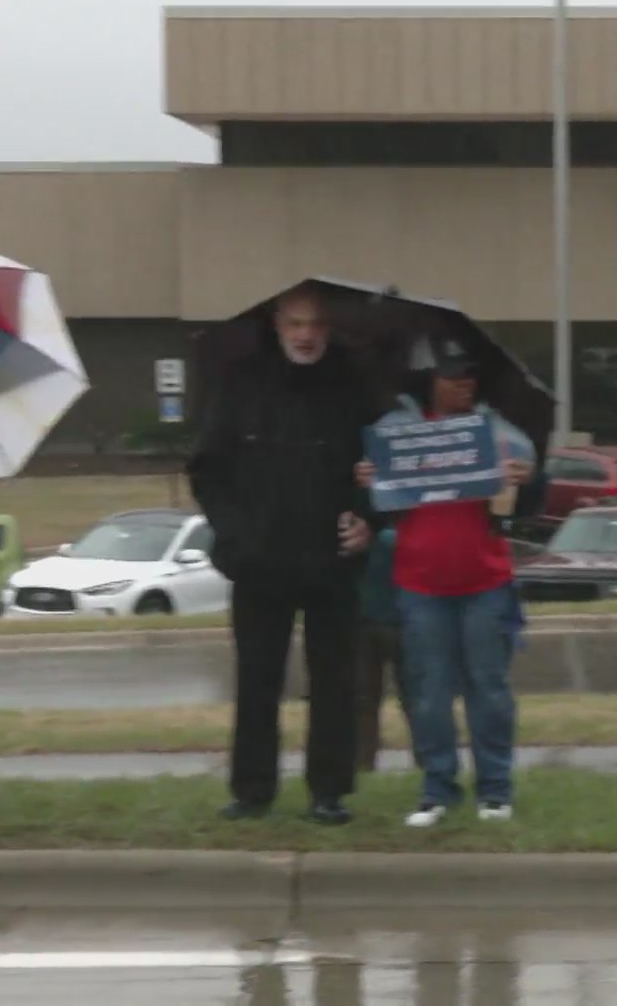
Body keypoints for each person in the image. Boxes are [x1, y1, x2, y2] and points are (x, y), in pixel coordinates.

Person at [188, 285, 377, 825]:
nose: (305, 334)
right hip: (258, 560)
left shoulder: (355, 384)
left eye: (315, 324)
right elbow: (207, 469)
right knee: (256, 678)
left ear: (329, 327)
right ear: (276, 324)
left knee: (335, 680)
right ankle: (252, 791)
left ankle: (329, 791)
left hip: (333, 559)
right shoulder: (241, 382)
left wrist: (369, 515)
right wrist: (235, 534)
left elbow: (388, 466)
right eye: (295, 323)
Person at [356, 334, 541, 827]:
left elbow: (523, 507)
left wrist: (523, 481)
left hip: (486, 581)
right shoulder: (396, 433)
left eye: (468, 376)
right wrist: (367, 478)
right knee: (429, 693)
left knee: (489, 689)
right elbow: (378, 505)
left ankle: (495, 790)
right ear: (430, 381)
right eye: (451, 376)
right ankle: (437, 789)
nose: (462, 384)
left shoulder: (500, 433)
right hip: (420, 584)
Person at [354, 524, 416, 773]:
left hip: (406, 616)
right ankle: (362, 765)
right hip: (361, 616)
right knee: (361, 699)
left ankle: (431, 764)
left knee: (417, 697)